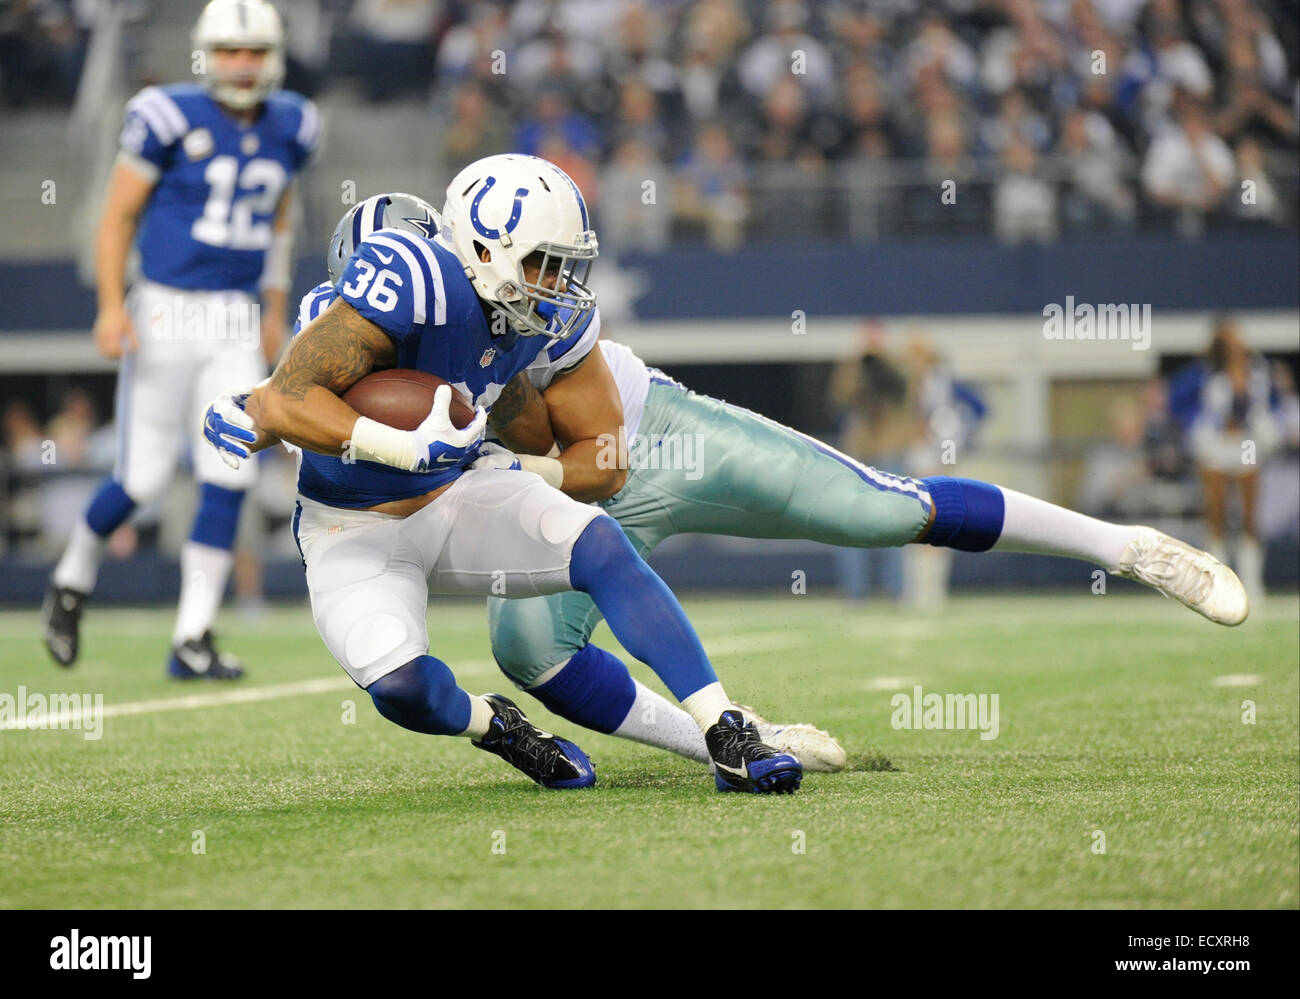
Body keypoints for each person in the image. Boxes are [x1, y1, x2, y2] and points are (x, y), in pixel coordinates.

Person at [201, 157, 803, 794]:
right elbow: (288, 398)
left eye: (566, 264)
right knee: (405, 689)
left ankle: (724, 729)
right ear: (485, 249)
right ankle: (498, 727)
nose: (561, 283)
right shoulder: (408, 285)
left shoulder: (515, 320)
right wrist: (285, 417)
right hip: (351, 528)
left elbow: (567, 449)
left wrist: (520, 461)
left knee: (598, 542)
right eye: (546, 262)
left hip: (457, 495)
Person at [42, 0, 318, 680]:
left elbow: (281, 219)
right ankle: (72, 575)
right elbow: (117, 216)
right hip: (165, 308)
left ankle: (193, 635)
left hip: (233, 316)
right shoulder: (167, 113)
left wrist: (274, 308)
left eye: (252, 52)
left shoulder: (292, 124)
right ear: (206, 53)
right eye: (228, 51)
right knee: (141, 479)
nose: (241, 64)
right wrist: (111, 305)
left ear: (273, 56)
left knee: (232, 470)